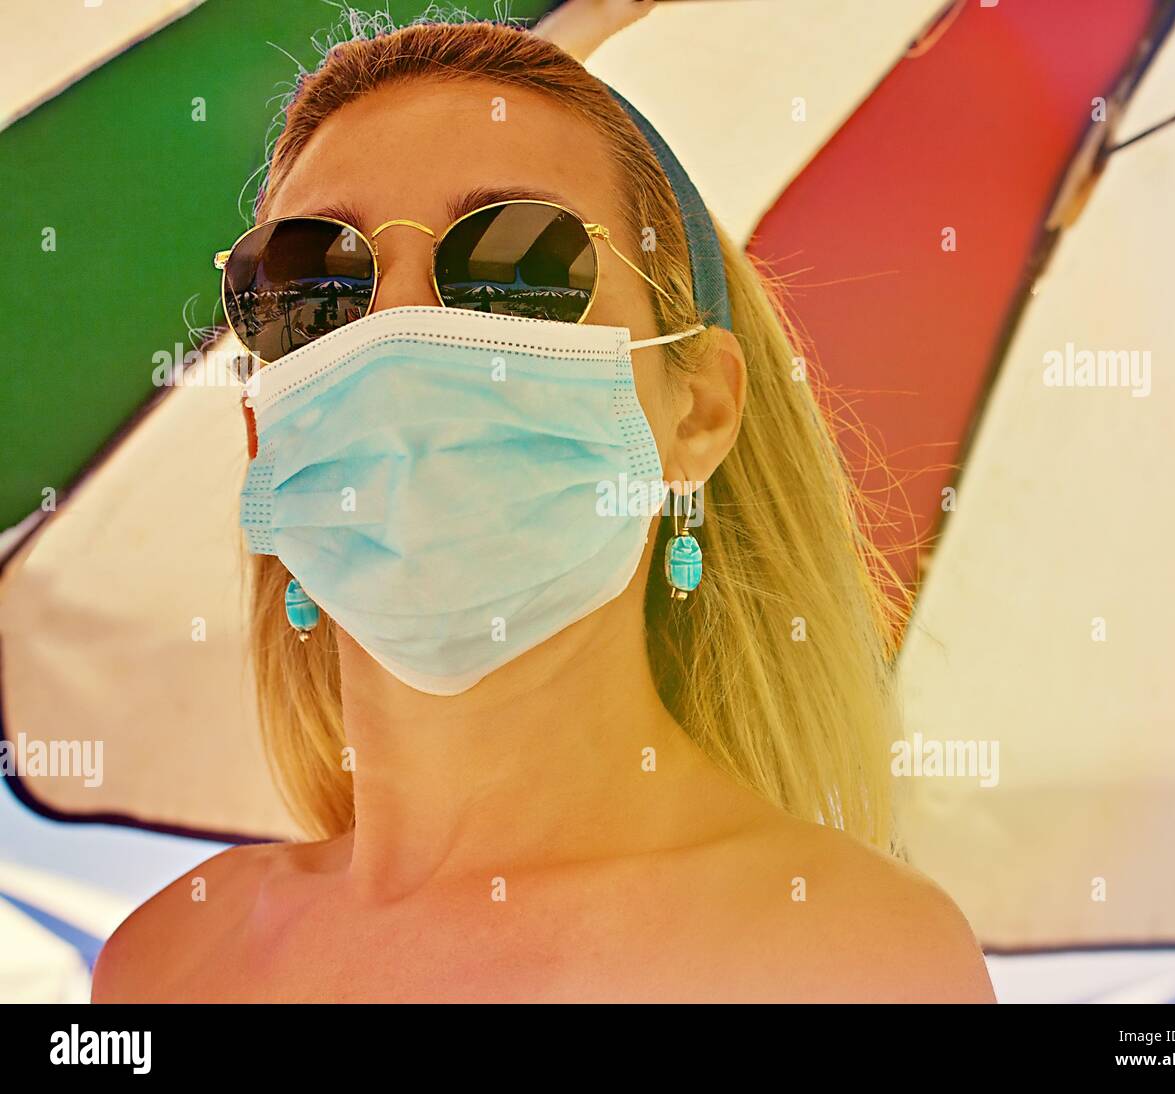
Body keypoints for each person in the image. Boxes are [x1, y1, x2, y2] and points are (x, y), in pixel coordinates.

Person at [91, 15, 994, 1004]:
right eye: (311, 284)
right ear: (266, 434)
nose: (399, 327)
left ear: (698, 408)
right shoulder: (166, 962)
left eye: (514, 262)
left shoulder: (852, 958)